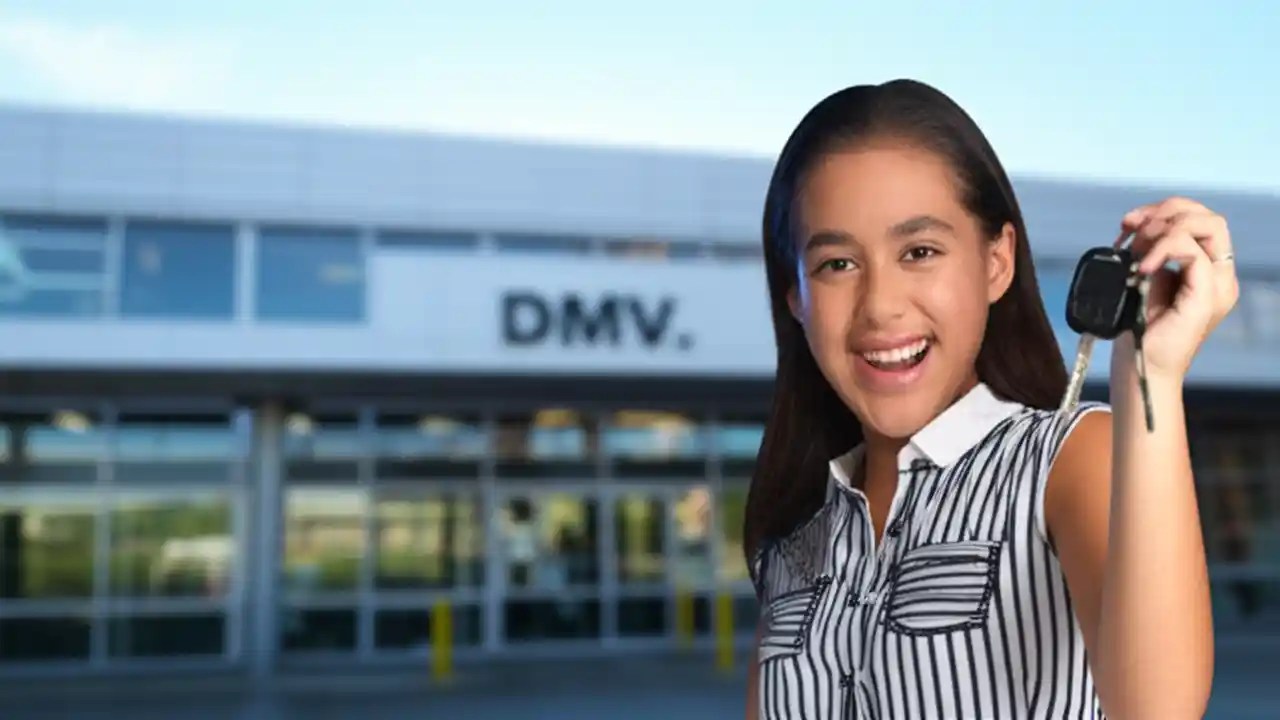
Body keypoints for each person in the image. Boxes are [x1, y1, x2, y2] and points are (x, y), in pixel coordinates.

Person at [742, 79, 1236, 720]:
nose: (881, 305)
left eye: (919, 252)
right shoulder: (795, 547)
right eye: (837, 264)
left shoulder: (1067, 461)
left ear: (996, 261)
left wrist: (1151, 374)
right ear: (794, 299)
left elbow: (1157, 711)